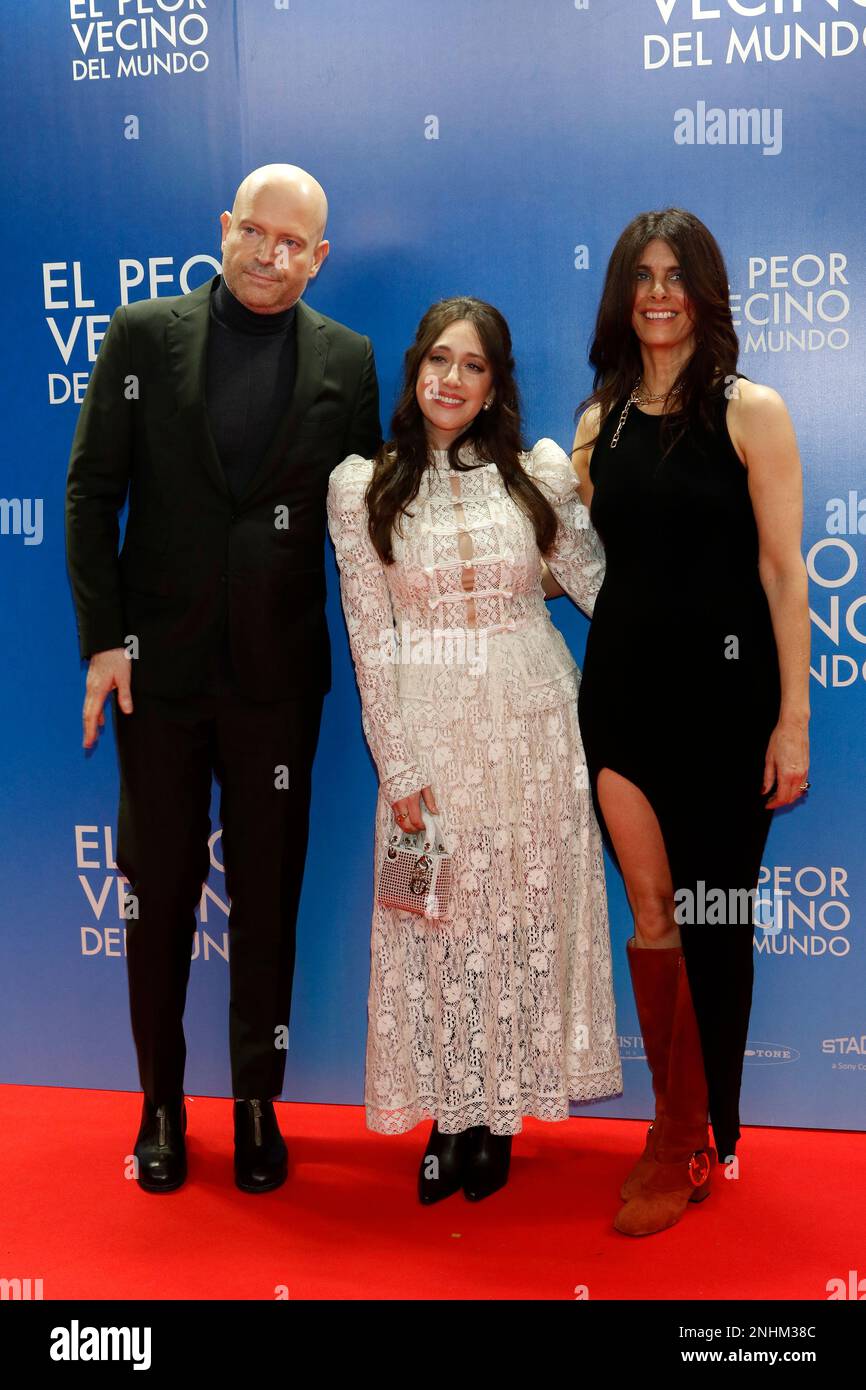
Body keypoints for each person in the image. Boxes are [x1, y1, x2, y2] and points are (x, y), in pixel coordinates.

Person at [65, 164, 381, 1194]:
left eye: (295, 244)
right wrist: (104, 642)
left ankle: (256, 1103)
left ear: (318, 257)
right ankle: (159, 1102)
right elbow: (89, 492)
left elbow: (369, 529)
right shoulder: (142, 336)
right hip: (157, 679)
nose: (271, 254)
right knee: (157, 898)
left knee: (269, 900)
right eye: (257, 232)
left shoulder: (349, 359)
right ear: (226, 228)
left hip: (278, 683)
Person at [326, 297, 622, 1205]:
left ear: (496, 387)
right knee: (437, 923)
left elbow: (599, 588)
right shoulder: (360, 486)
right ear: (415, 372)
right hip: (430, 734)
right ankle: (447, 1115)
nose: (451, 380)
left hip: (537, 729)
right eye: (438, 360)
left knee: (521, 921)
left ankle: (498, 1118)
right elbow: (370, 640)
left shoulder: (534, 476)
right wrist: (399, 761)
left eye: (474, 366)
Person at [568, 208, 810, 1236]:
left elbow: (778, 569)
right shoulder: (597, 423)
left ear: (704, 293)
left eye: (675, 275)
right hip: (619, 695)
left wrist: (791, 718)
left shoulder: (751, 410)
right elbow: (588, 562)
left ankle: (708, 1123)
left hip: (726, 703)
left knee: (714, 915)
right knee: (651, 909)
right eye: (640, 276)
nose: (656, 292)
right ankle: (674, 1131)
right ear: (621, 295)